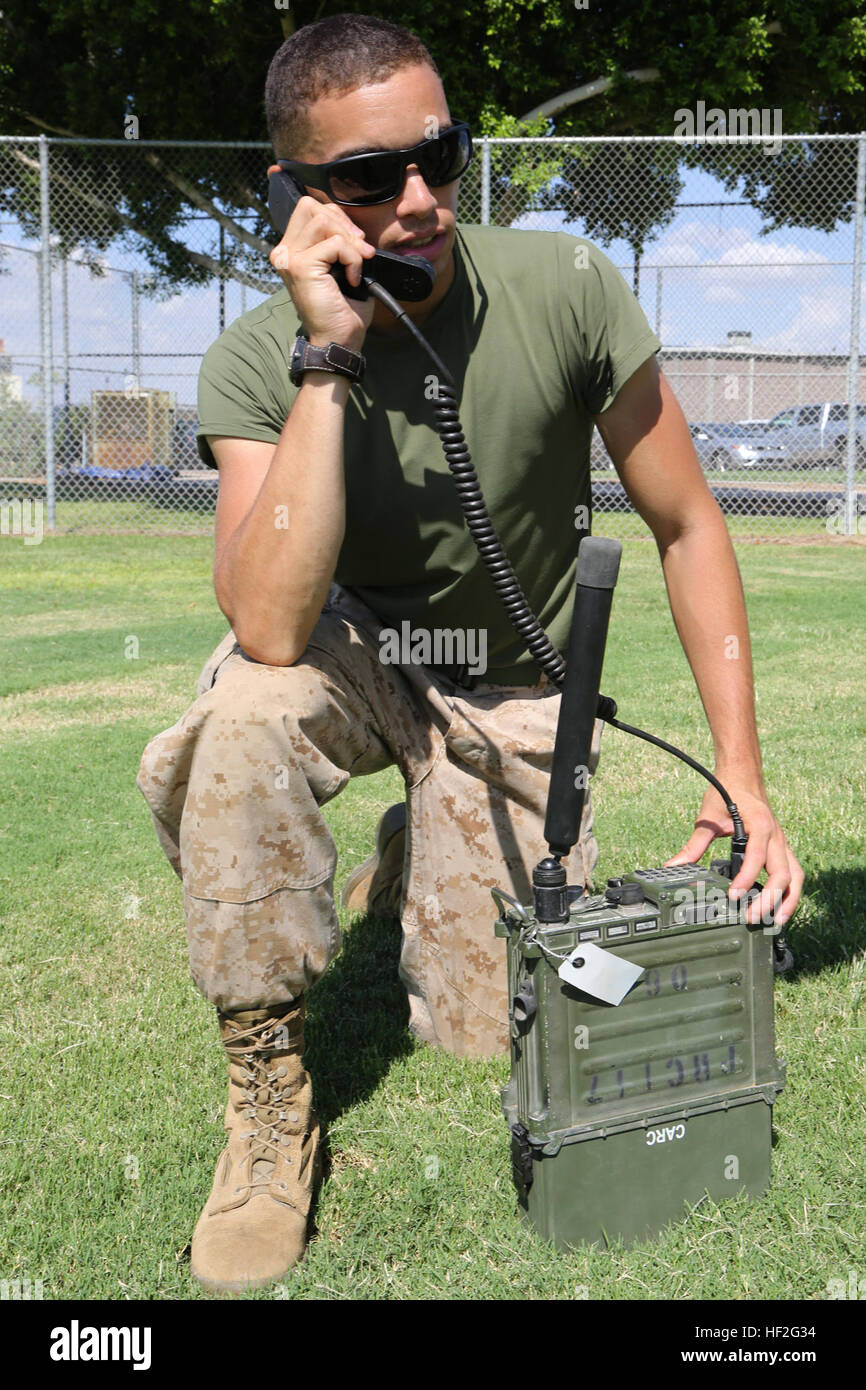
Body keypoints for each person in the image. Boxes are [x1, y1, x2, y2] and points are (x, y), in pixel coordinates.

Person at [137, 12, 803, 1294]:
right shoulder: (254, 358)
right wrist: (329, 356)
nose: (417, 199)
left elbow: (685, 523)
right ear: (293, 196)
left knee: (481, 1029)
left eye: (435, 155)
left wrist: (739, 774)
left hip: (507, 686)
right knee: (242, 713)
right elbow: (267, 623)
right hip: (350, 651)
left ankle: (414, 844)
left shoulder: (566, 286)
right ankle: (269, 1093)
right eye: (367, 176)